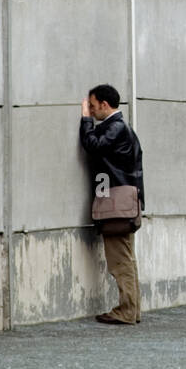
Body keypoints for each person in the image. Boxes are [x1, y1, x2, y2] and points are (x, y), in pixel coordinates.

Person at [78, 84, 144, 325]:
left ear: (105, 105)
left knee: (120, 261)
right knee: (126, 258)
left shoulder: (115, 127)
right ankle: (131, 310)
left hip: (118, 205)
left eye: (93, 107)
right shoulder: (120, 127)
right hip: (123, 203)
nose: (92, 112)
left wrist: (85, 120)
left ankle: (127, 310)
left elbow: (93, 146)